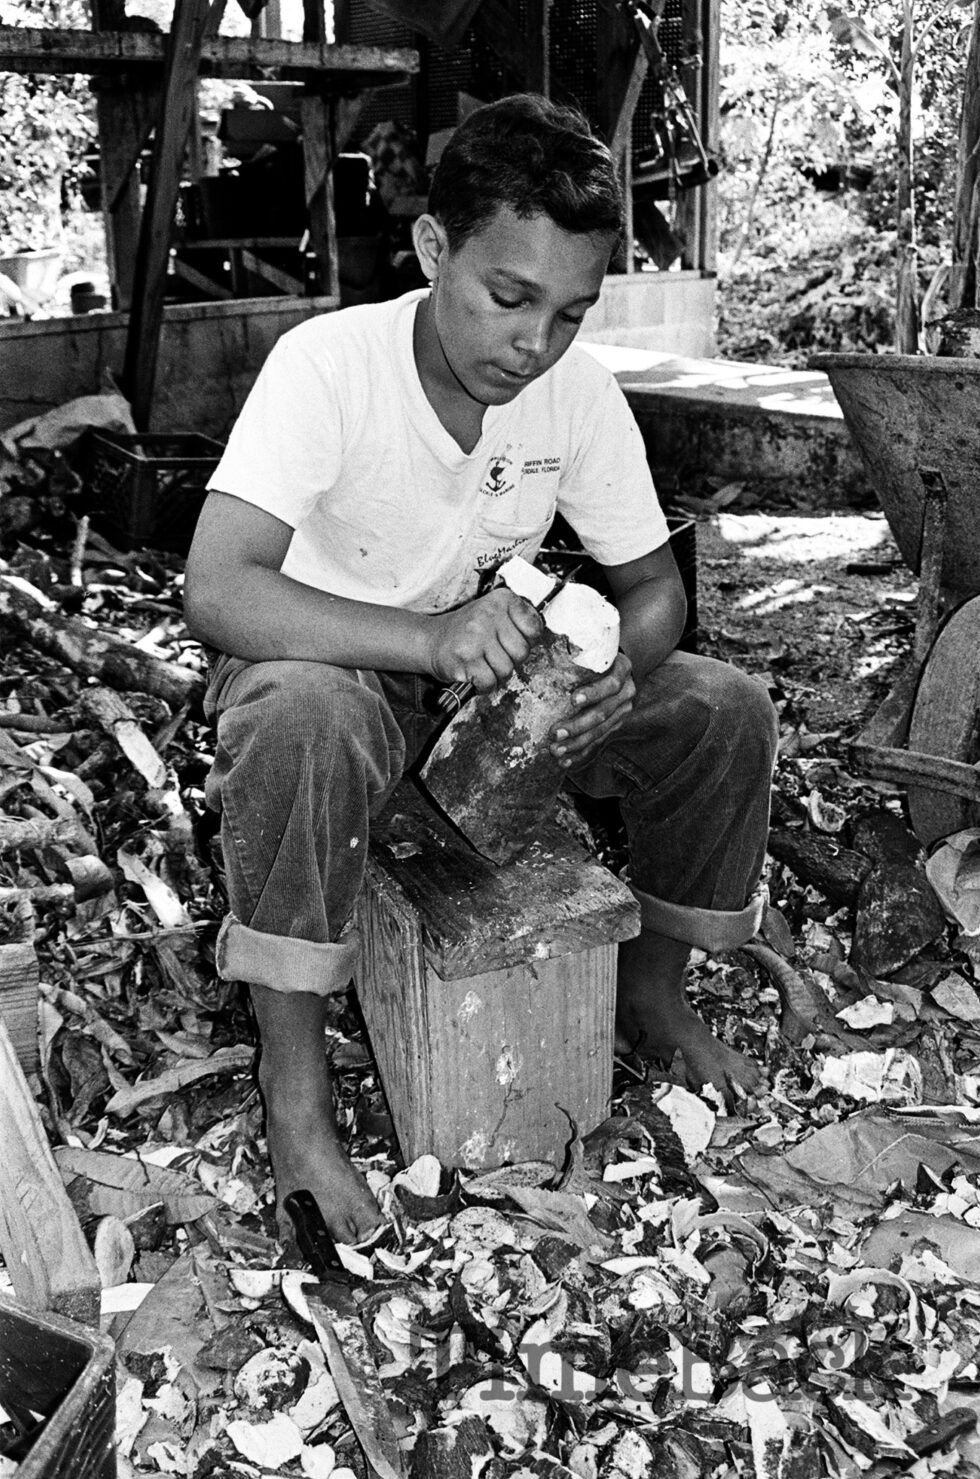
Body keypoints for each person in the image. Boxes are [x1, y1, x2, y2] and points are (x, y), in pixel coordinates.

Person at [183, 93, 778, 1245]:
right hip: (331, 679)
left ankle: (652, 995)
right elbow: (219, 589)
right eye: (508, 299)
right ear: (431, 250)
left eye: (568, 313)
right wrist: (424, 640)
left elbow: (657, 590)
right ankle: (294, 1097)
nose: (534, 343)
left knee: (721, 708)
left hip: (494, 708)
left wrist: (621, 667)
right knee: (303, 715)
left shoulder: (574, 390)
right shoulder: (329, 366)